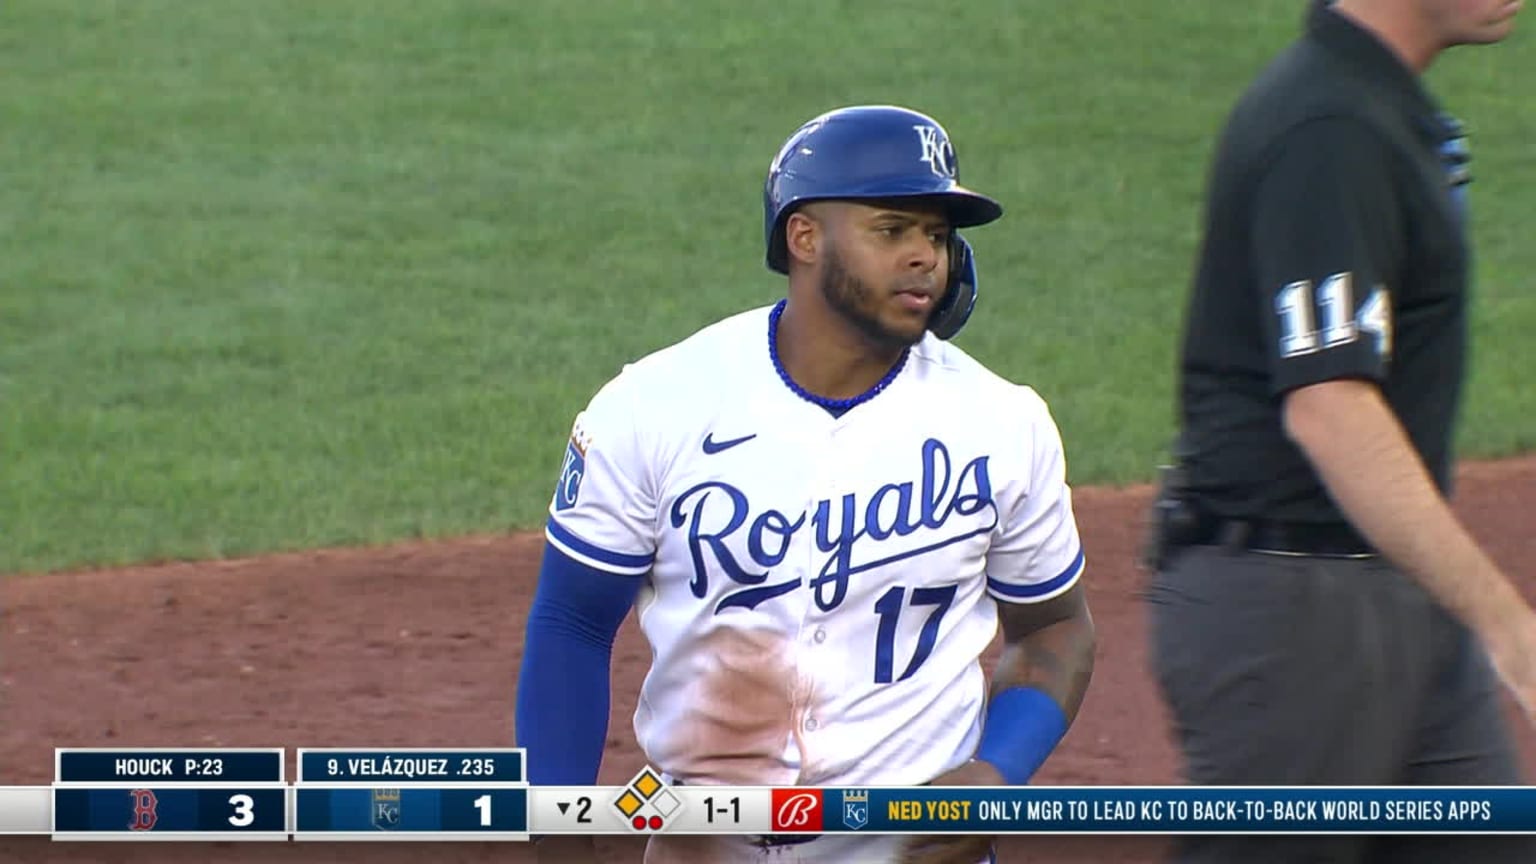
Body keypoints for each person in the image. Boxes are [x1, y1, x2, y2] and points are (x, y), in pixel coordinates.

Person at [515, 104, 1096, 863]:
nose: (926, 256)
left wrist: (998, 772)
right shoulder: (654, 407)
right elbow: (573, 623)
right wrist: (559, 823)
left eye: (938, 235)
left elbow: (1055, 625)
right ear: (804, 236)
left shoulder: (1002, 422)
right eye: (893, 229)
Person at [1144, 1, 1534, 862]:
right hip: (1293, 614)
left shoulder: (1383, 109)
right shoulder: (1330, 127)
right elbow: (1331, 408)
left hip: (1392, 591)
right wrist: (1510, 626)